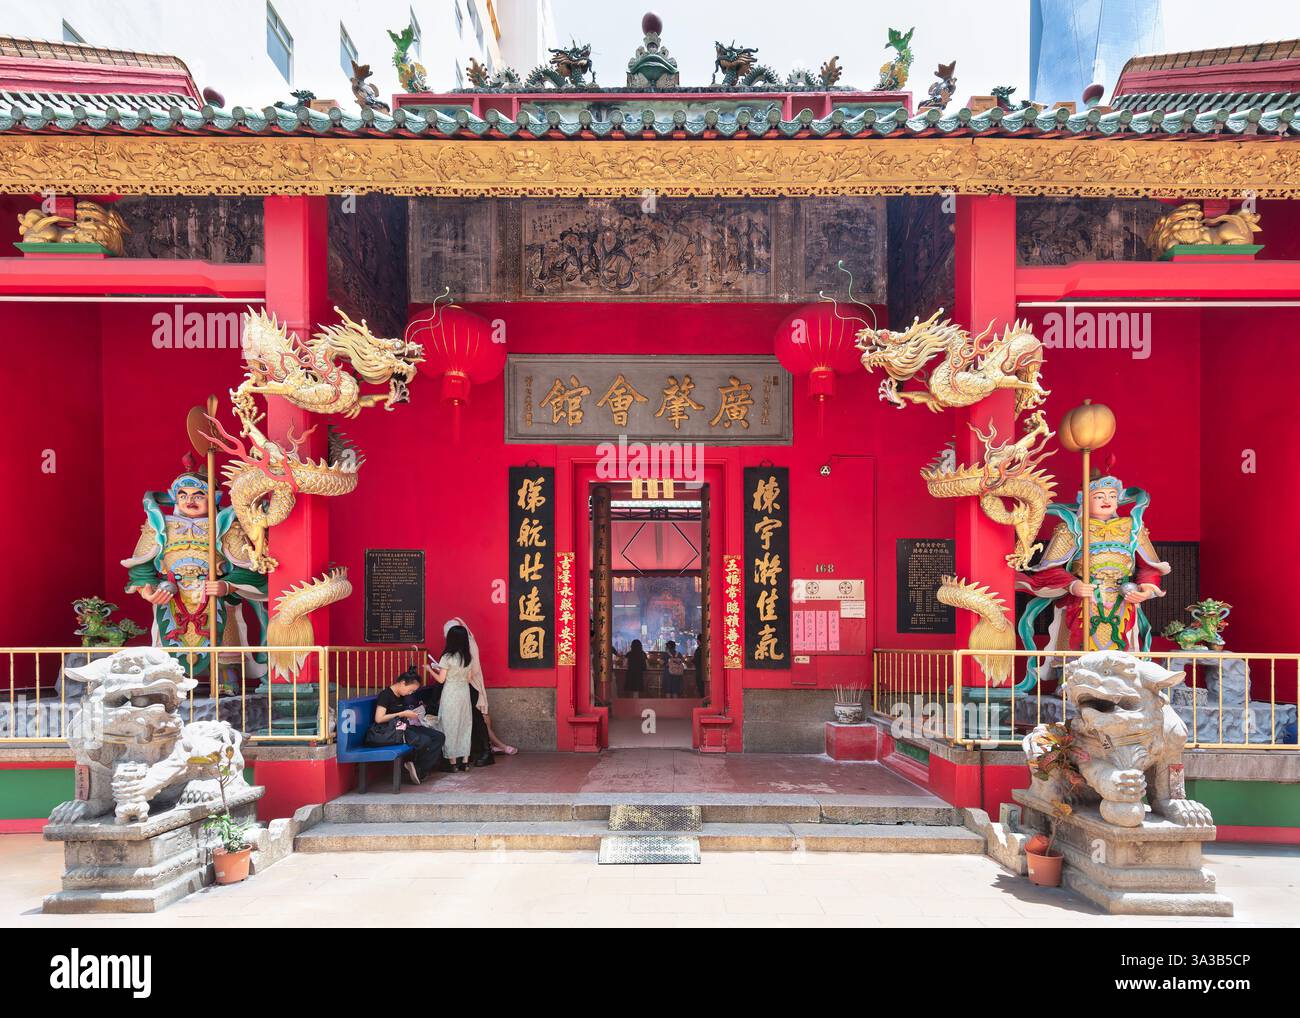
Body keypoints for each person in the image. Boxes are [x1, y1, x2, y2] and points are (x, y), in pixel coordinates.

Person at [442, 615, 517, 758]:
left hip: (470, 685)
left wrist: (454, 674)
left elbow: (472, 670)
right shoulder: (464, 645)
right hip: (464, 685)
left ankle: (488, 750)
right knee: (477, 717)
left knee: (478, 717)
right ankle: (487, 748)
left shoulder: (469, 645)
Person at [370, 668, 445, 784]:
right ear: (402, 683)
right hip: (392, 731)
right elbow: (379, 719)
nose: (410, 693)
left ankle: (418, 768)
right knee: (424, 740)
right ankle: (418, 769)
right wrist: (401, 714)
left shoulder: (402, 696)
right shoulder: (386, 695)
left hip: (405, 726)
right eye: (410, 690)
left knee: (439, 737)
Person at [429, 625, 476, 771]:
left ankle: (453, 763)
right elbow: (469, 678)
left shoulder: (447, 657)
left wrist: (430, 669)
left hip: (450, 693)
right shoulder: (468, 658)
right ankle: (465, 761)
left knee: (449, 725)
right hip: (464, 693)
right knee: (464, 725)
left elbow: (441, 680)